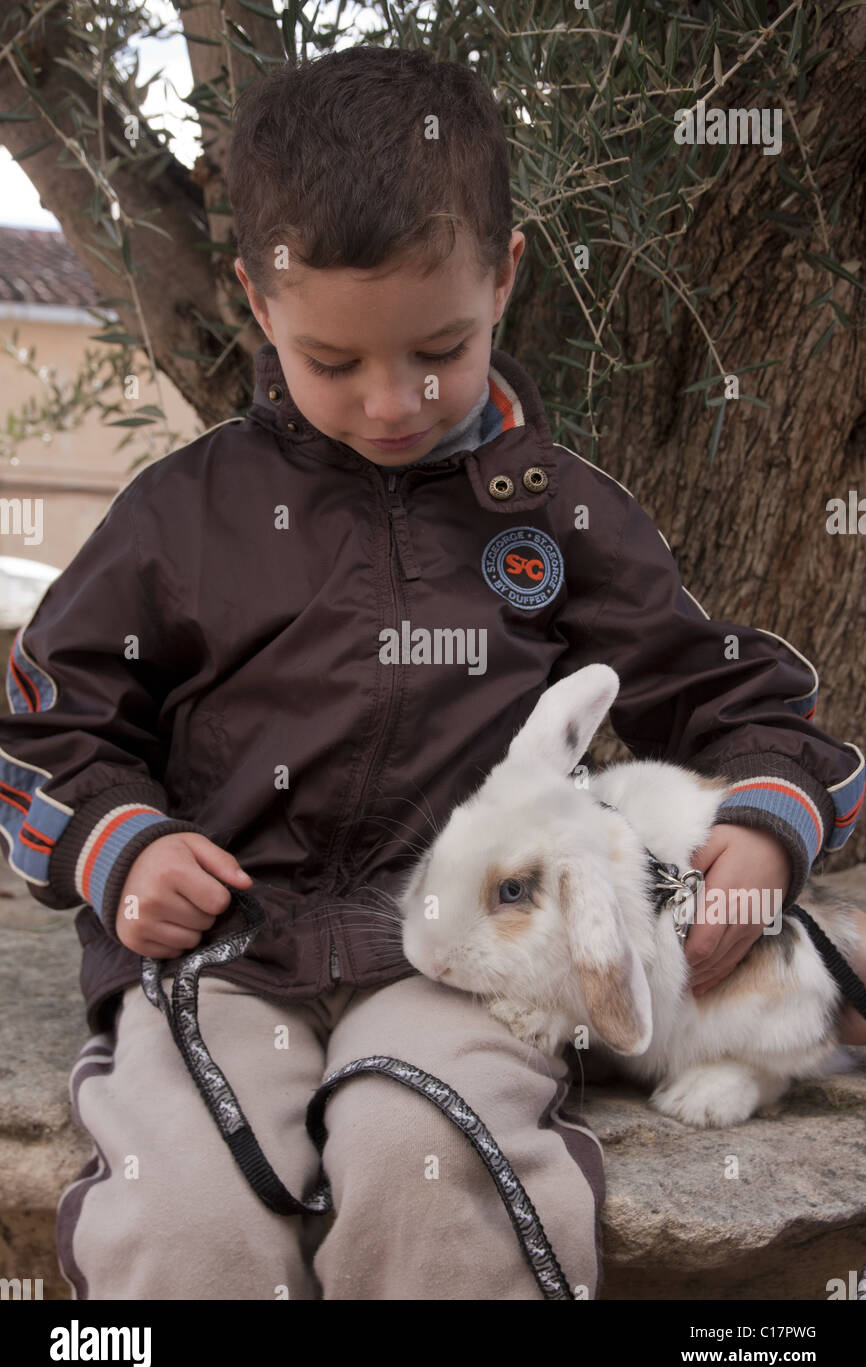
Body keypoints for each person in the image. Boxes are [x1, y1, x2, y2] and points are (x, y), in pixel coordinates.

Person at [1, 45, 863, 1302]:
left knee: (434, 1172)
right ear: (257, 299)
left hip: (465, 972)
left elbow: (741, 704)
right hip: (224, 961)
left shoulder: (559, 517)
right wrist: (118, 846)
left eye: (439, 349)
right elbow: (44, 730)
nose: (393, 401)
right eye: (333, 362)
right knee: (185, 1227)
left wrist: (771, 826)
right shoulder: (179, 516)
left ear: (504, 279)